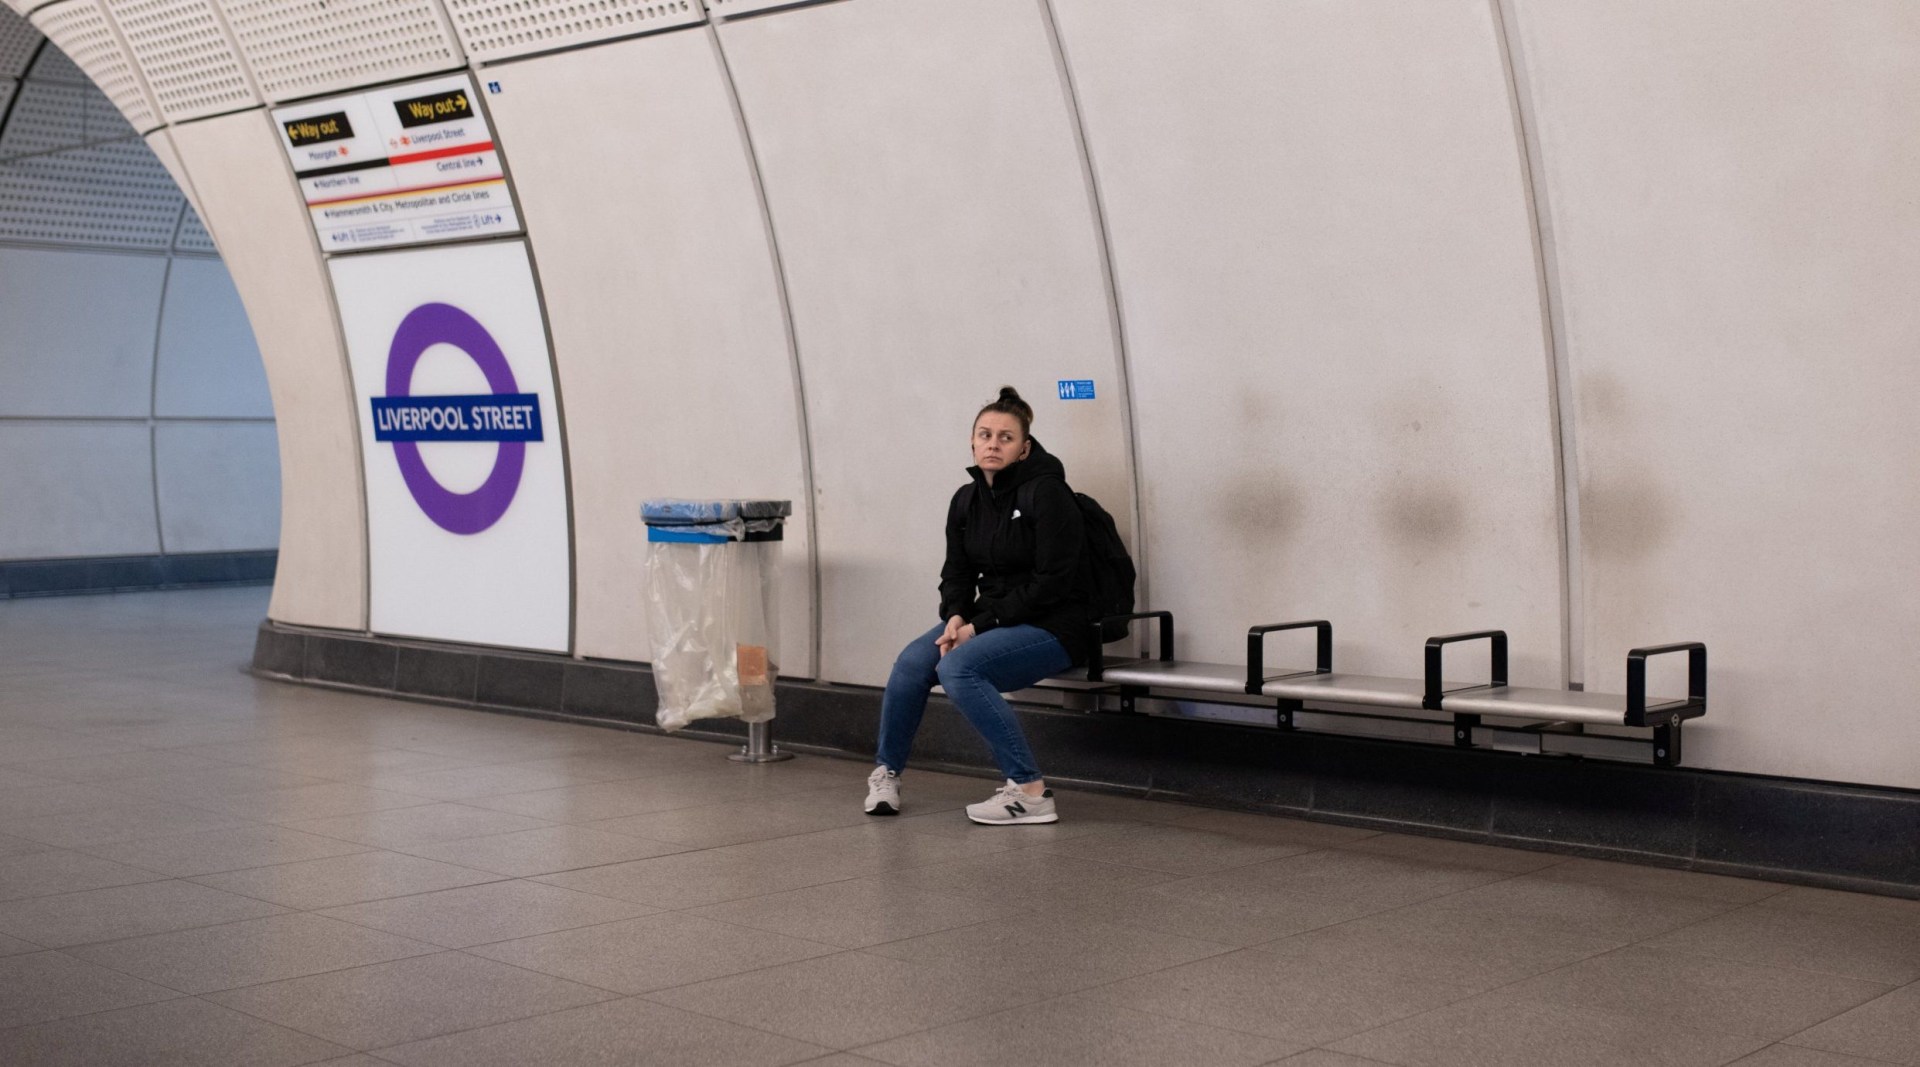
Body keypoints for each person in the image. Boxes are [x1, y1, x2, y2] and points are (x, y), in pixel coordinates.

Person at [863, 386, 1097, 825]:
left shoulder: (1047, 493)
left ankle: (1030, 792)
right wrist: (955, 615)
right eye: (985, 435)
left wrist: (978, 627)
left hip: (1057, 625)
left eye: (1006, 437)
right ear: (972, 443)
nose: (993, 444)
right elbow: (956, 573)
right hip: (991, 621)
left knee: (958, 667)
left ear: (1024, 448)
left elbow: (1053, 583)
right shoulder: (966, 499)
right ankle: (887, 773)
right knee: (913, 662)